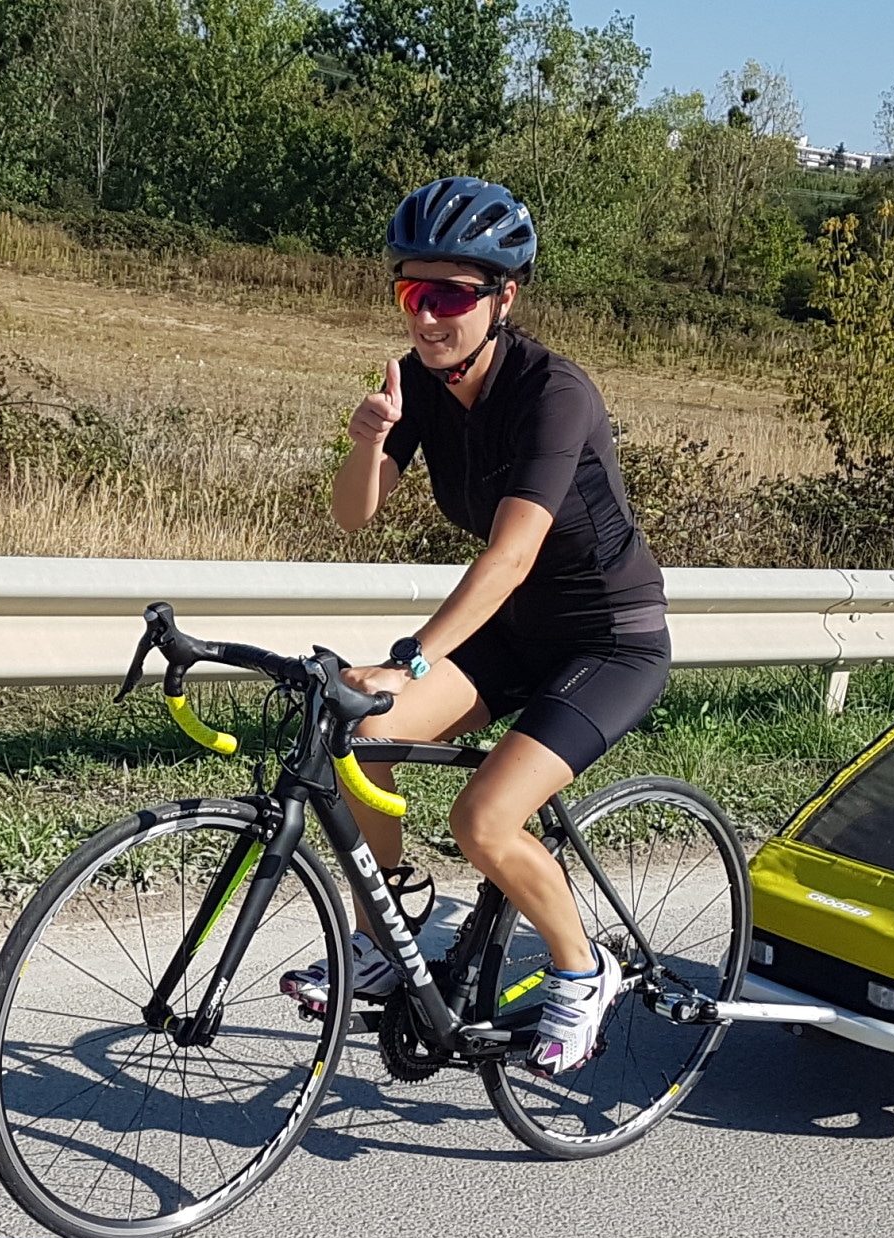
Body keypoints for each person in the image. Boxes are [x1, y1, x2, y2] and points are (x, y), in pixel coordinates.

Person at [280, 177, 670, 1076]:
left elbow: (512, 553)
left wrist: (413, 656)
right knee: (363, 740)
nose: (429, 315)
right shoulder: (416, 383)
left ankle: (584, 969)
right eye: (413, 292)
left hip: (609, 638)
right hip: (512, 636)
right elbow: (354, 517)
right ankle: (388, 938)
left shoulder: (553, 392)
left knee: (483, 820)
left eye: (453, 294)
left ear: (505, 297)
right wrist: (369, 442)